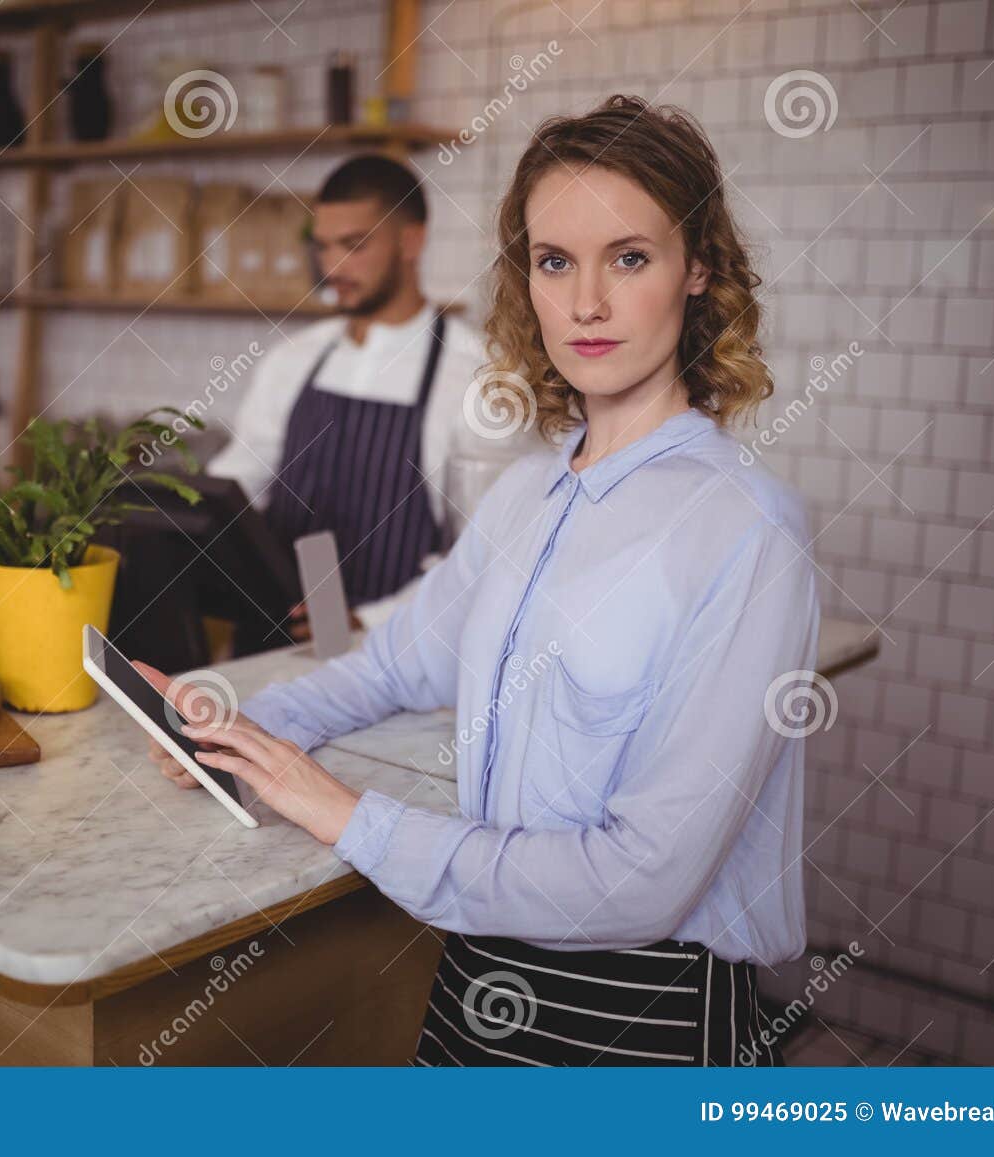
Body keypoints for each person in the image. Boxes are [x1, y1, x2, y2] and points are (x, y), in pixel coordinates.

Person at [141, 94, 820, 1066]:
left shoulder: (745, 531)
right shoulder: (526, 495)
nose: (585, 302)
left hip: (639, 1013)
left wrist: (342, 810)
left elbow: (640, 880)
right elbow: (395, 661)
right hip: (473, 980)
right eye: (554, 261)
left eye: (628, 257)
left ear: (697, 268)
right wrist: (255, 729)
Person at [206, 154, 523, 642]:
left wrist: (367, 622)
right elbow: (239, 483)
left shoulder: (479, 376)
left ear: (411, 241)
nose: (334, 268)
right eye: (324, 247)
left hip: (395, 650)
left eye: (354, 246)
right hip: (266, 647)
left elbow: (487, 553)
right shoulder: (293, 360)